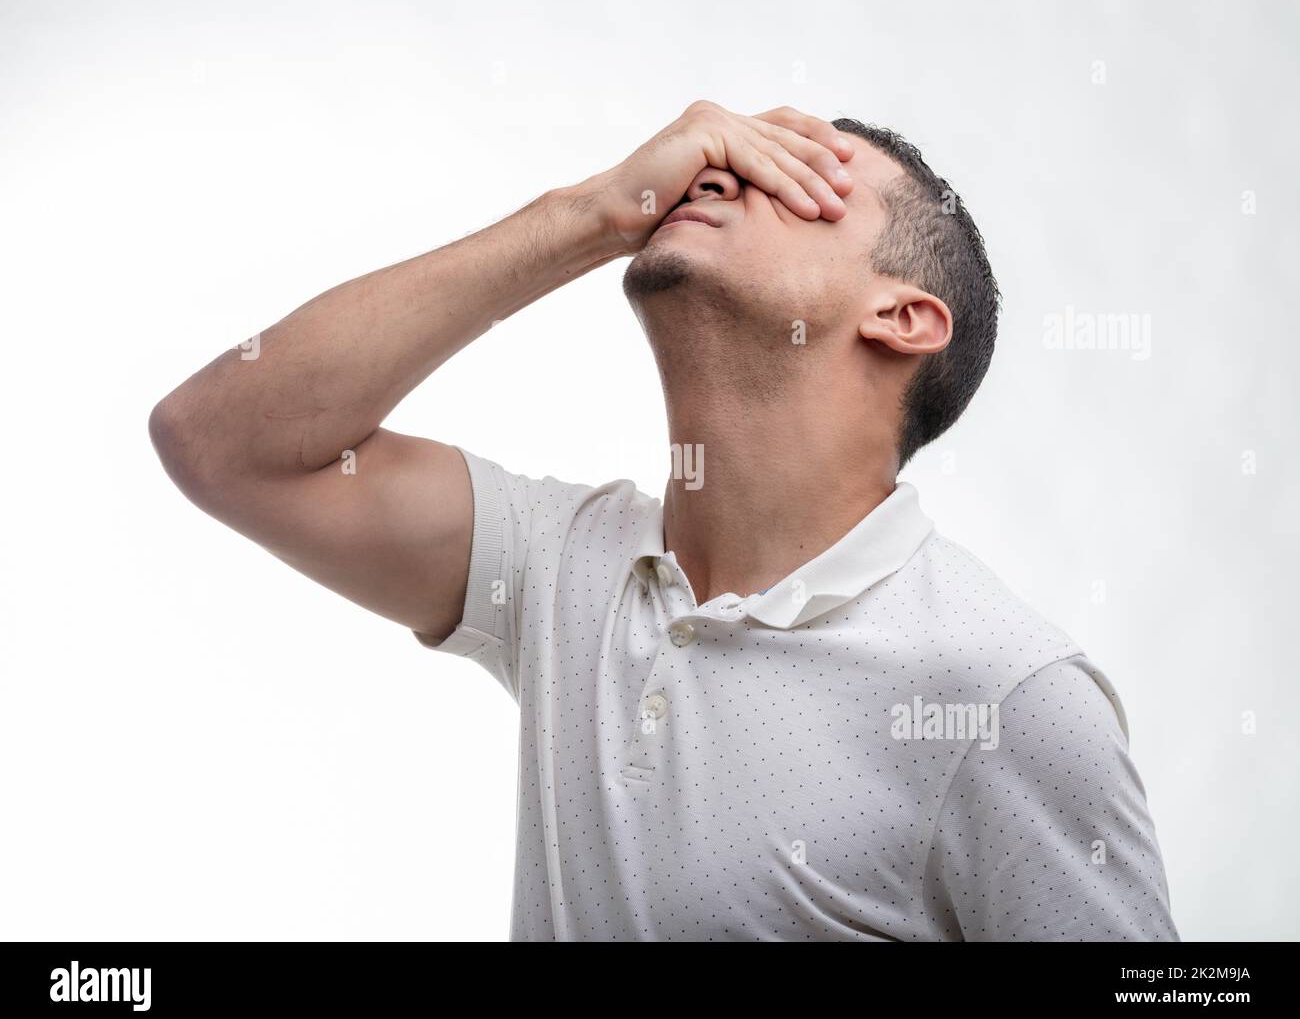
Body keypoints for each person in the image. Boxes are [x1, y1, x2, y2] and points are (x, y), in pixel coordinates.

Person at [150, 102, 1178, 941]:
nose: (722, 167)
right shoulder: (565, 566)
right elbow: (220, 441)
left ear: (901, 316)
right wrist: (590, 211)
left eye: (800, 169)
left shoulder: (1005, 696)